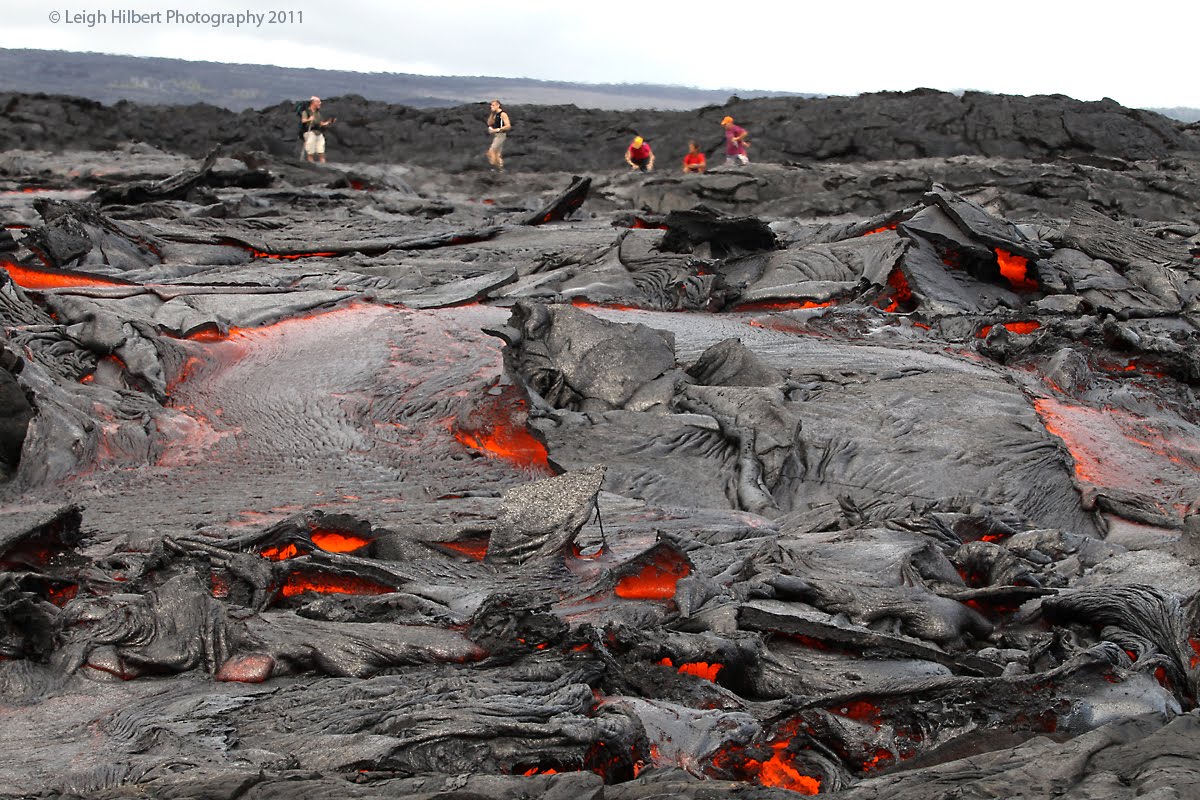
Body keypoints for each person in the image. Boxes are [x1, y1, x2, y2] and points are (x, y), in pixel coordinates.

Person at [301, 97, 335, 163]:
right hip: (310, 132)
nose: (320, 103)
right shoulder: (306, 112)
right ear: (313, 102)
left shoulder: (318, 113)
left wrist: (329, 122)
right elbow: (303, 121)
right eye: (318, 102)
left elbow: (321, 123)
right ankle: (312, 166)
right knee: (310, 152)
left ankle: (323, 166)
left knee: (321, 152)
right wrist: (309, 119)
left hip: (319, 133)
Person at [486, 100, 512, 171]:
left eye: (493, 105)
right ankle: (501, 169)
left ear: (498, 105)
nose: (492, 107)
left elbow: (508, 126)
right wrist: (492, 114)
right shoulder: (494, 114)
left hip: (501, 135)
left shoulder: (503, 114)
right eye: (491, 105)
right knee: (497, 154)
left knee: (491, 151)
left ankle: (494, 168)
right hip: (496, 135)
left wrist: (497, 130)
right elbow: (489, 122)